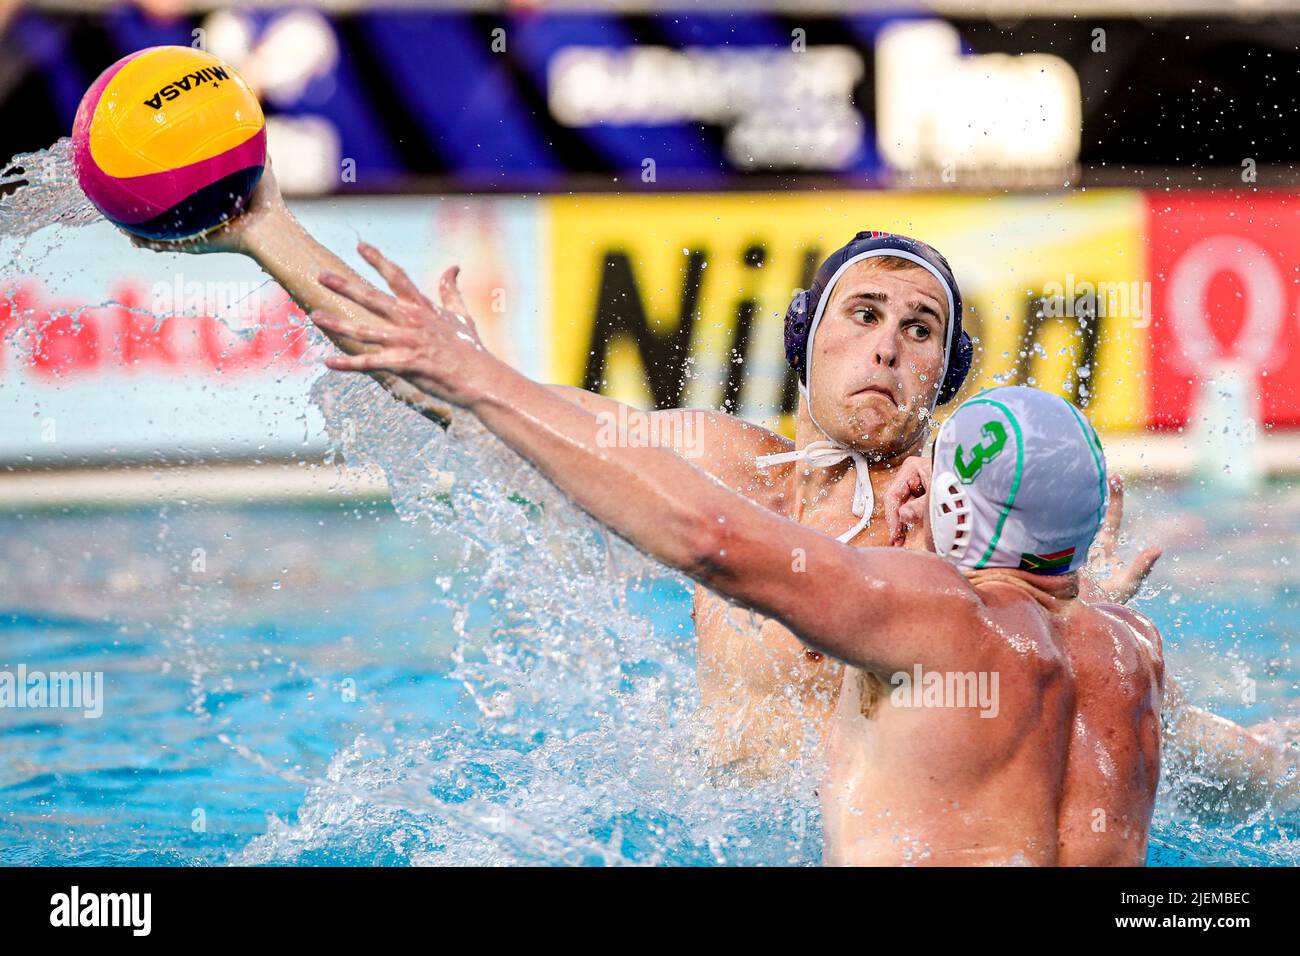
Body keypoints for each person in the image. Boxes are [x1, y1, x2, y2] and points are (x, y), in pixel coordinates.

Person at [129, 170, 1295, 823]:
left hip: (916, 827)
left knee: (1233, 755)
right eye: (864, 315)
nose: (889, 347)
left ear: (946, 373)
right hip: (733, 829)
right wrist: (261, 229)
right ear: (807, 342)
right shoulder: (719, 462)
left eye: (922, 329)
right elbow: (475, 404)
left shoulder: (970, 505)